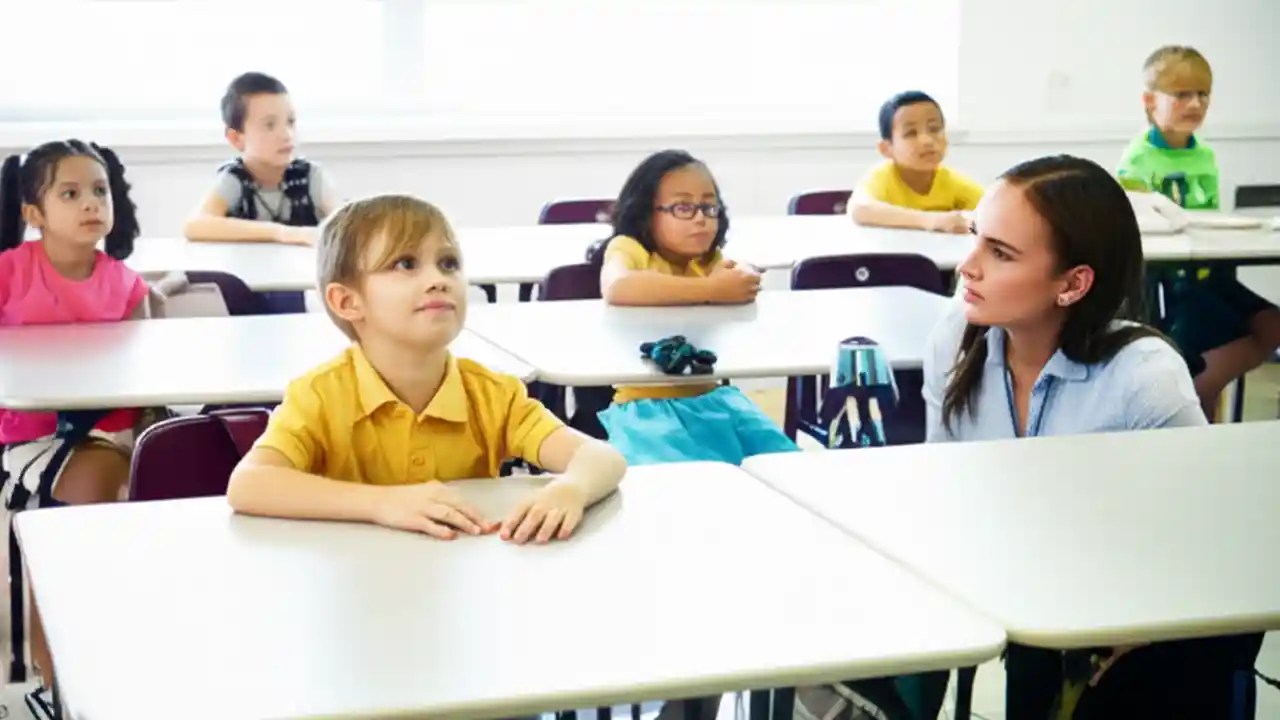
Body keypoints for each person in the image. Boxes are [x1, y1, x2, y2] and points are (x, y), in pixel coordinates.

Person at [926, 154, 1259, 719]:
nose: (968, 266)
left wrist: (1145, 627)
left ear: (1073, 283)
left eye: (1000, 253)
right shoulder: (955, 338)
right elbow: (944, 489)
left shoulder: (1142, 376)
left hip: (1138, 624)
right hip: (1033, 597)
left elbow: (1211, 540)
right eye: (974, 236)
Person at [227, 195, 625, 545]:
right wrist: (382, 504)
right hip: (358, 581)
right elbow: (249, 485)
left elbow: (602, 458)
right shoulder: (319, 395)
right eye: (406, 264)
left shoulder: (491, 393)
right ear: (347, 302)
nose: (438, 280)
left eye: (448, 263)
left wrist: (571, 489)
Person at [0, 139, 146, 720]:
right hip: (21, 436)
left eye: (99, 191)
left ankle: (100, 667)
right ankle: (53, 677)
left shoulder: (126, 284)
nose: (91, 203)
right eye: (70, 193)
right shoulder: (9, 272)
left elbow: (143, 375)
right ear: (33, 213)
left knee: (143, 474)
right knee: (87, 500)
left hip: (104, 433)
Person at [588, 149, 798, 467]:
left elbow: (733, 279)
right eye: (683, 207)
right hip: (647, 408)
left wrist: (741, 276)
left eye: (709, 207)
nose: (701, 218)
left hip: (712, 400)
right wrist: (713, 290)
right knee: (685, 484)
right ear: (646, 213)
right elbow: (618, 286)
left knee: (786, 465)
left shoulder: (706, 260)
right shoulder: (629, 249)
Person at [1117, 45, 1280, 420]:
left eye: (1203, 94)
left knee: (1271, 325)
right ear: (1150, 101)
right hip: (1173, 281)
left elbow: (1206, 219)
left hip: (1210, 273)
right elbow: (1141, 226)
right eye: (1181, 94)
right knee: (1202, 338)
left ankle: (1203, 386)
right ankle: (1195, 399)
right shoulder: (1137, 159)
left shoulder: (1204, 156)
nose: (1195, 104)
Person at [184, 72, 339, 246]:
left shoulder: (311, 176)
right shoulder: (235, 179)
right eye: (269, 125)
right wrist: (282, 233)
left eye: (290, 122)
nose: (287, 135)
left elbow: (346, 224)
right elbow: (195, 225)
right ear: (236, 138)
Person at [849, 90, 984, 233]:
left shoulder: (953, 182)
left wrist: (967, 225)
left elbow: (992, 212)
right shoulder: (882, 177)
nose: (927, 140)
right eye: (911, 133)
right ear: (886, 148)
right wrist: (933, 221)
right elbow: (859, 209)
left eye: (934, 129)